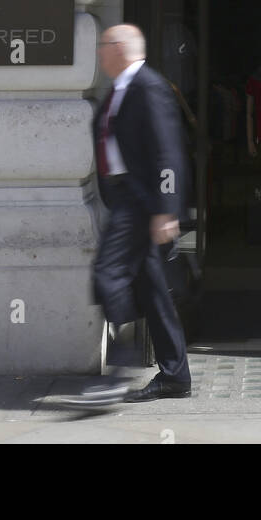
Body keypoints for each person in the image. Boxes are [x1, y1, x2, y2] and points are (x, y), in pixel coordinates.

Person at [78, 23, 192, 405]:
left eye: (103, 44)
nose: (98, 51)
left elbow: (168, 153)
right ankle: (175, 376)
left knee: (108, 273)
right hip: (126, 198)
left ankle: (118, 372)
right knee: (152, 289)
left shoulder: (149, 86)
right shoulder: (121, 89)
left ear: (121, 48)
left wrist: (166, 209)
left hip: (140, 201)